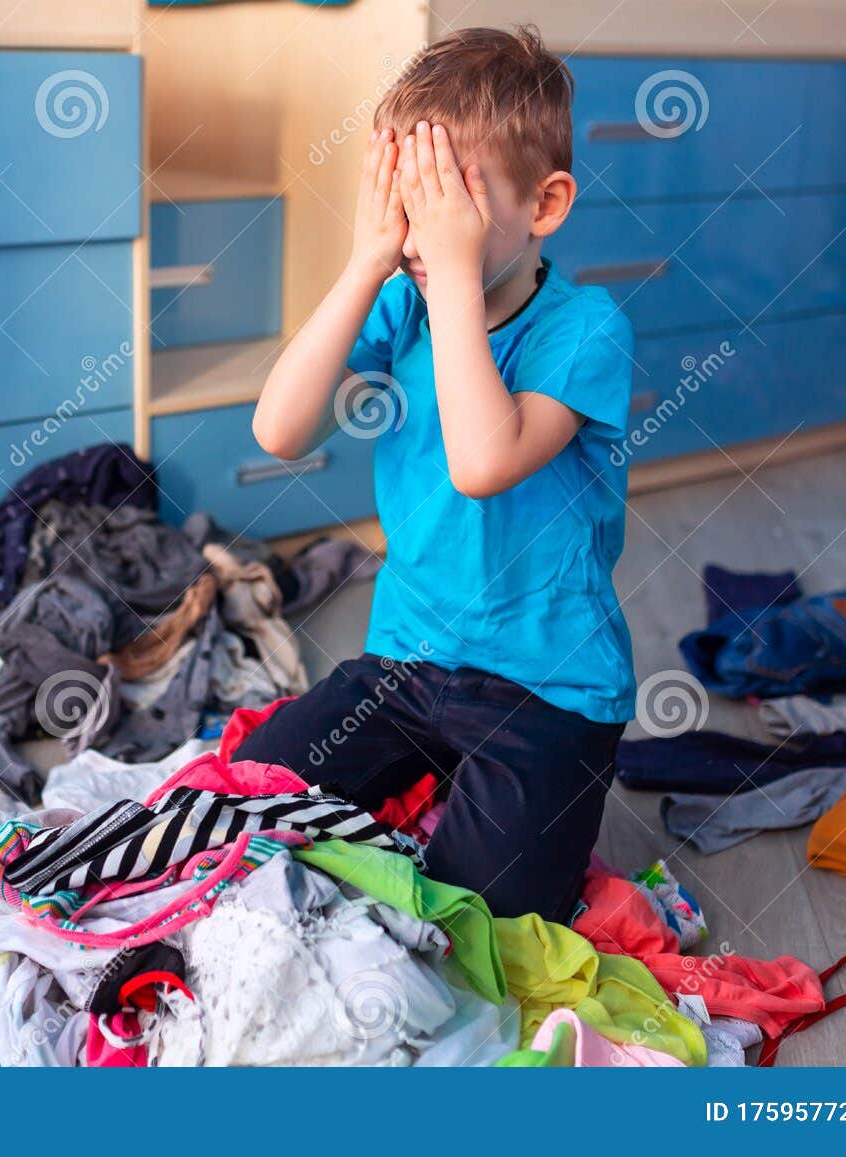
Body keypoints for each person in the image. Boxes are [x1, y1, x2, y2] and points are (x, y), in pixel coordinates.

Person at [242, 25, 636, 921]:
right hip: (410, 663)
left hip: (549, 692)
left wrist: (452, 277)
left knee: (474, 917)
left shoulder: (585, 330)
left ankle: (500, 794)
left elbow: (483, 461)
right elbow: (279, 427)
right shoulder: (403, 299)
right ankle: (433, 774)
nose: (430, 232)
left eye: (451, 199)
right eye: (409, 198)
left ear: (545, 205)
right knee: (250, 794)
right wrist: (367, 260)